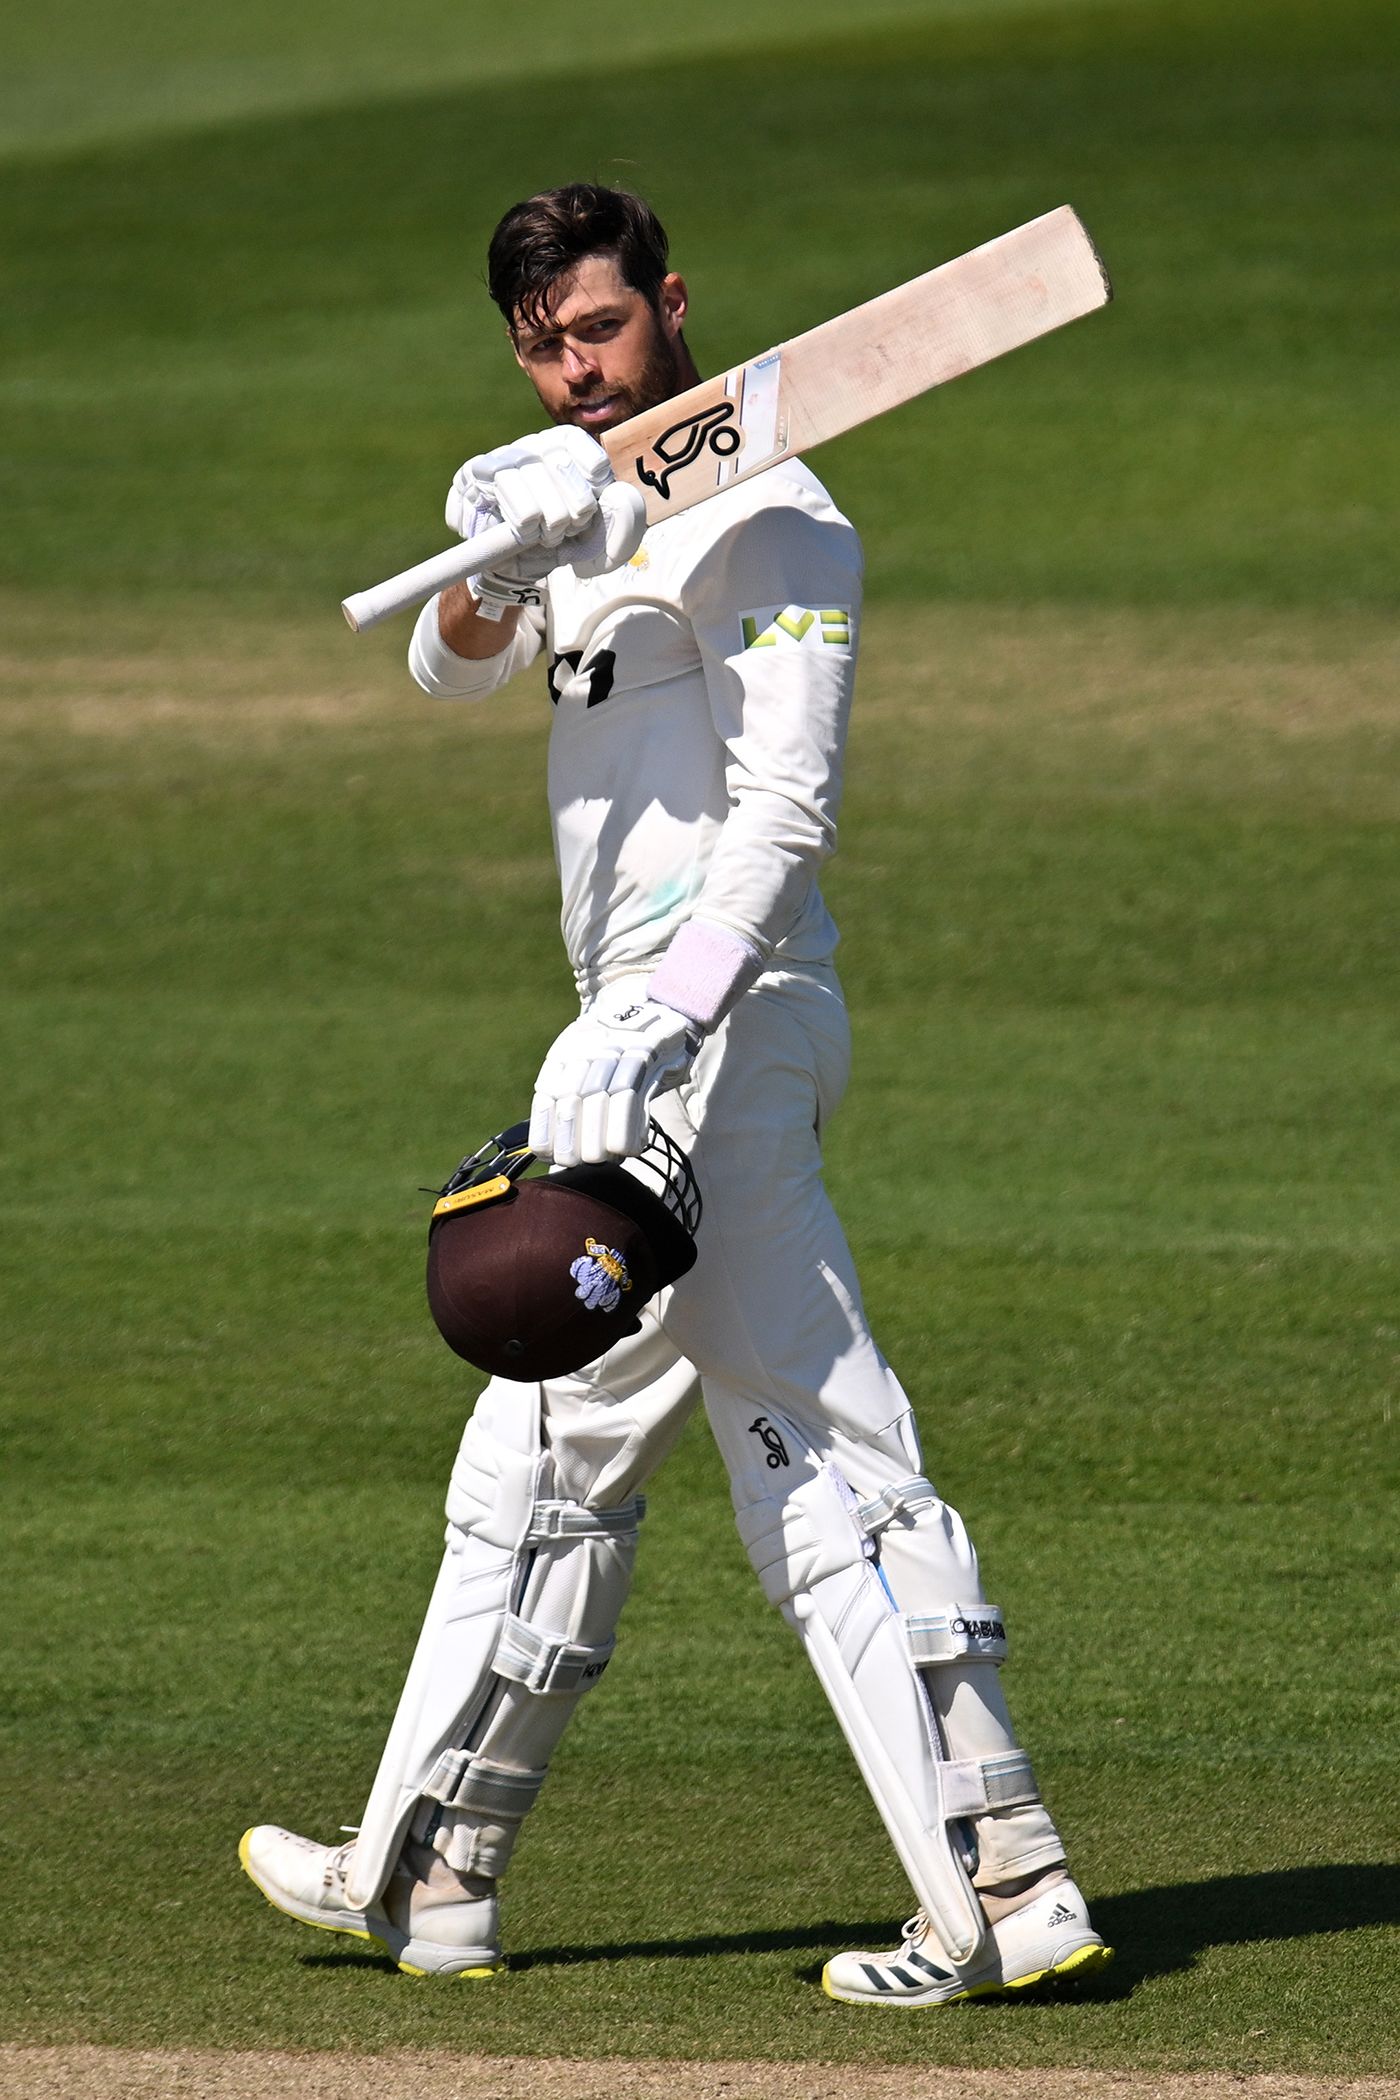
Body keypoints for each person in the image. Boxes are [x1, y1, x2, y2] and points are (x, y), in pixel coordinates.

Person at [240, 183, 1112, 2007]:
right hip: (621, 1034)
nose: (576, 369)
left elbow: (786, 817)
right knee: (549, 1450)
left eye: (602, 329)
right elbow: (450, 672)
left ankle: (1003, 1888)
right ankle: (431, 1869)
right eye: (542, 346)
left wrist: (669, 1019)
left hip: (721, 1025)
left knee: (820, 1450)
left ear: (674, 303)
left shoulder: (782, 519)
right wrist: (500, 560)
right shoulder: (580, 498)